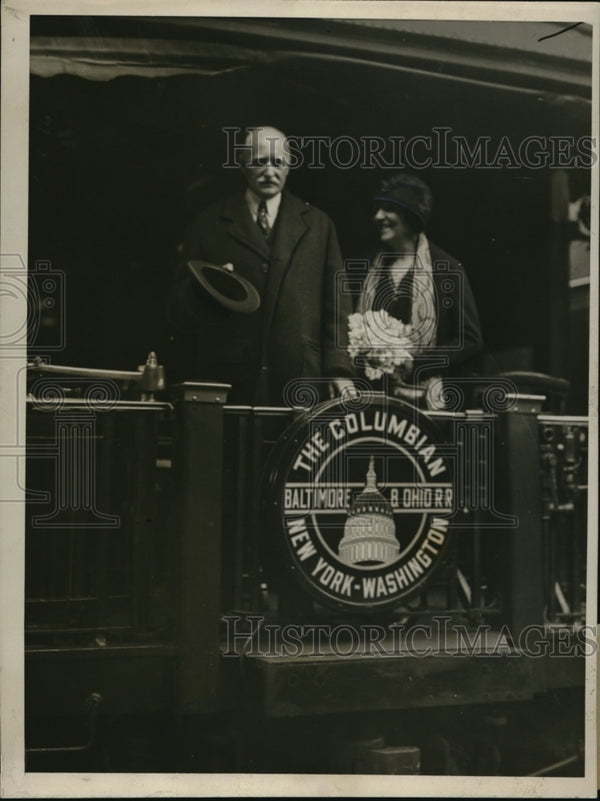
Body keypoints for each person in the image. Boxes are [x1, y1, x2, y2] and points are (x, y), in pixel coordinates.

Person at [167, 126, 354, 405]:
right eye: (259, 161)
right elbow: (180, 304)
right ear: (242, 164)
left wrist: (339, 370)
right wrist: (206, 292)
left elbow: (337, 306)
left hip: (299, 377)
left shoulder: (318, 225)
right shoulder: (209, 223)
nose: (269, 171)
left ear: (289, 166)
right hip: (228, 378)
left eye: (277, 162)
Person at [354, 173, 483, 403]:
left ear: (410, 216)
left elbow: (470, 340)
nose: (378, 216)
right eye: (377, 209)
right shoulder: (369, 268)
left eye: (388, 209)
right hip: (374, 400)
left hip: (427, 400)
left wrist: (416, 364)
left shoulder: (446, 269)